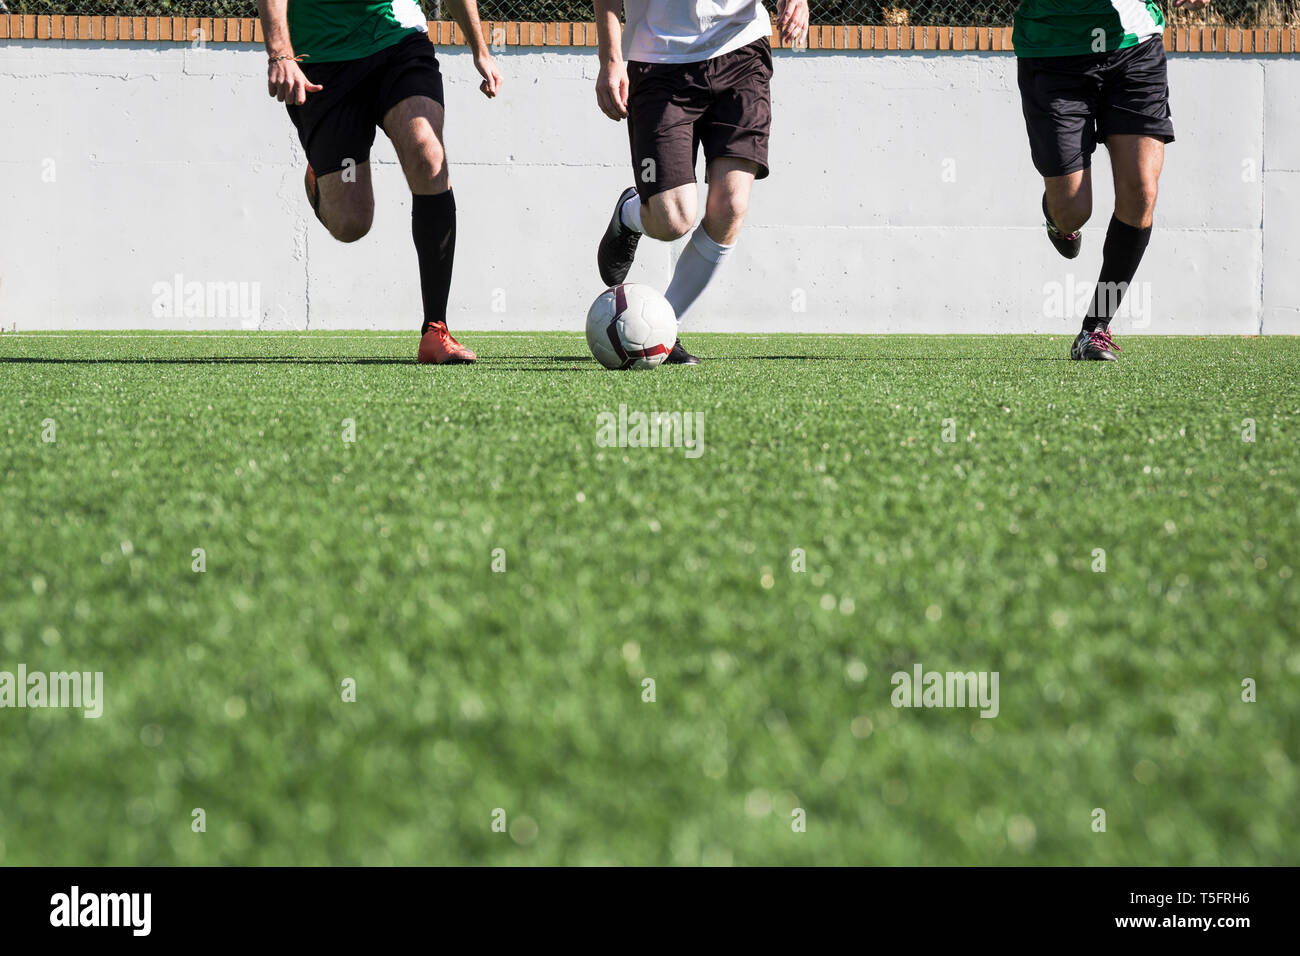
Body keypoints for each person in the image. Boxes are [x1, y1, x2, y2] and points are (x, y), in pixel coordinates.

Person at [257, 0, 502, 363]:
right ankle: (320, 180)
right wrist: (280, 52)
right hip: (324, 61)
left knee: (428, 154)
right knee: (351, 222)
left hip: (398, 44)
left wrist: (480, 50)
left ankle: (436, 329)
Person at [593, 0, 808, 364]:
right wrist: (610, 59)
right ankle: (631, 214)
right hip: (659, 60)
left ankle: (664, 329)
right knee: (671, 219)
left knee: (731, 206)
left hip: (741, 50)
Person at [1014, 0, 1210, 360]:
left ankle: (1094, 328)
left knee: (1142, 192)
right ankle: (1057, 217)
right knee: (1073, 210)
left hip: (1135, 49)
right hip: (1054, 50)